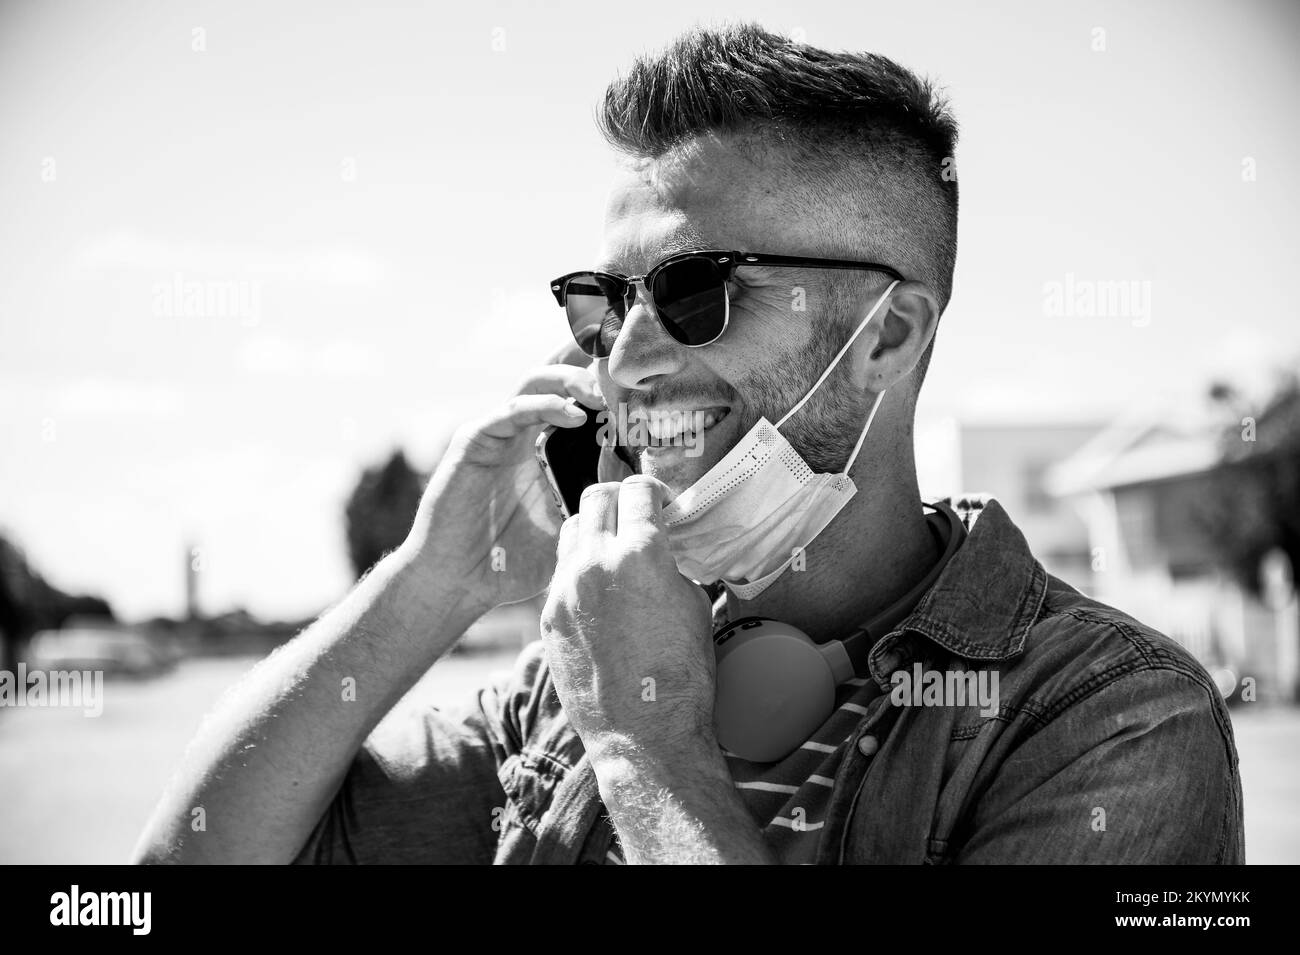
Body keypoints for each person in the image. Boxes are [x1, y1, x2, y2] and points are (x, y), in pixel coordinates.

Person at [134, 23, 1244, 865]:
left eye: (696, 291)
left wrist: (646, 745)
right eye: (604, 302)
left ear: (889, 335)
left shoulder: (1112, 716)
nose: (623, 362)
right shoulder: (573, 672)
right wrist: (436, 581)